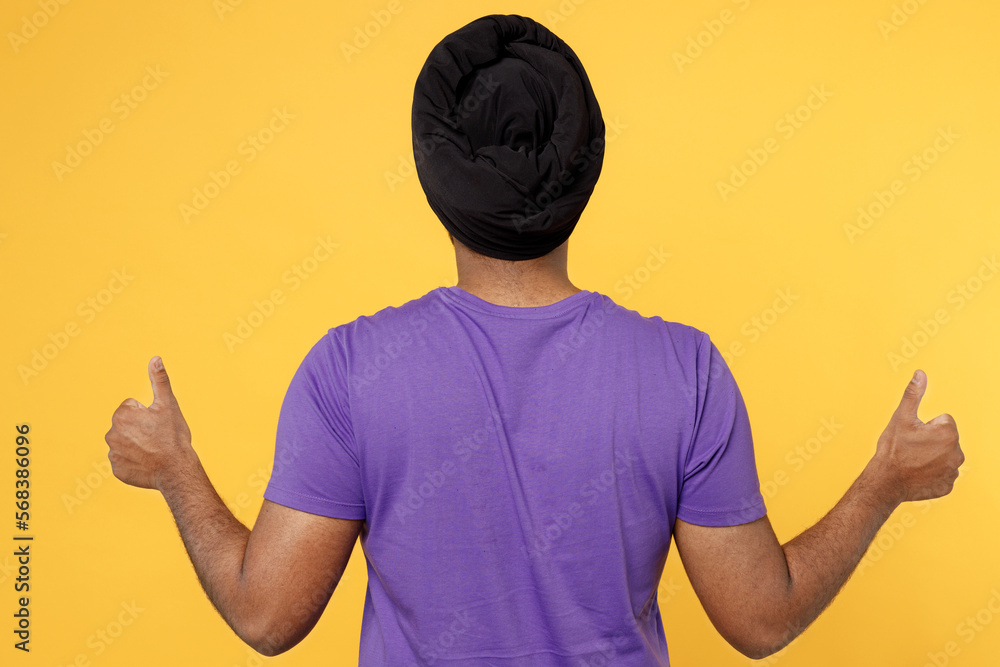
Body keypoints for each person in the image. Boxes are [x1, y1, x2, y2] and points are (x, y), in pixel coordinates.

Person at [104, 14, 964, 665]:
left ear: (433, 179)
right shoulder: (684, 372)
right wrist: (881, 484)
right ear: (586, 167)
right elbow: (762, 619)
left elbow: (265, 617)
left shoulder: (351, 372)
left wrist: (176, 469)